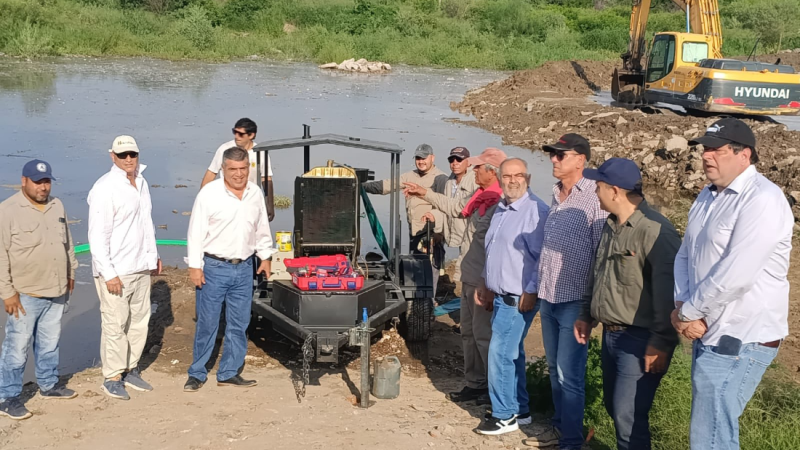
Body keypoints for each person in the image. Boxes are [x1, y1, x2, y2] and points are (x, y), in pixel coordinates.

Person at [672, 118, 793, 450]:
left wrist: (690, 312)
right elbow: (686, 255)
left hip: (740, 336)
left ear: (744, 155)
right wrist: (683, 305)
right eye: (705, 149)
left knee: (709, 436)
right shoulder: (708, 196)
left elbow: (736, 274)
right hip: (708, 327)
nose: (706, 156)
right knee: (714, 429)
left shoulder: (762, 200)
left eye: (716, 150)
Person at [573, 158, 680, 450]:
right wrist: (587, 314)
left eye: (599, 186)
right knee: (615, 408)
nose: (595, 191)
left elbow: (668, 292)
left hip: (640, 339)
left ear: (615, 190)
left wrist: (661, 342)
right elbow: (599, 274)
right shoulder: (610, 225)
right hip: (611, 334)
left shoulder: (656, 231)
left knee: (628, 415)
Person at [404, 148, 505, 405]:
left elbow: (498, 249)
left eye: (478, 166)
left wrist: (489, 283)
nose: (472, 168)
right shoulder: (479, 195)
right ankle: (475, 383)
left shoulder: (499, 203)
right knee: (468, 334)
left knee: (484, 336)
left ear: (492, 172)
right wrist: (423, 192)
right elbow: (455, 208)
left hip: (483, 280)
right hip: (468, 275)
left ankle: (493, 391)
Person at [525, 134, 607, 449]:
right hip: (549, 297)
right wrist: (534, 287)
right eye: (552, 155)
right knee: (554, 370)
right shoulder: (557, 194)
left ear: (580, 160)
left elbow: (600, 255)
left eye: (561, 155)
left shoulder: (595, 197)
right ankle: (561, 428)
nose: (554, 160)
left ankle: (571, 441)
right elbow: (547, 248)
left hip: (575, 301)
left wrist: (590, 308)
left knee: (569, 374)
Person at [184, 146, 275, 392]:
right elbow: (195, 232)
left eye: (243, 169)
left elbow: (261, 229)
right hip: (213, 267)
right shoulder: (208, 194)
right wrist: (195, 267)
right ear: (223, 169)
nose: (238, 174)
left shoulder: (255, 193)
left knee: (239, 322)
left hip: (244, 267)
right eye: (233, 169)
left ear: (249, 168)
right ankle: (197, 372)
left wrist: (265, 257)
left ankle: (228, 371)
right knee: (208, 322)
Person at [474, 158, 549, 436]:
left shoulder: (535, 211)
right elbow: (494, 249)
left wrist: (531, 290)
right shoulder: (502, 208)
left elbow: (543, 258)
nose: (512, 180)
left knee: (500, 354)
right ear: (500, 178)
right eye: (507, 176)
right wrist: (485, 282)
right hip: (501, 295)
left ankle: (504, 415)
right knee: (512, 353)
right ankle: (520, 409)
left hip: (518, 298)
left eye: (518, 175)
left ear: (527, 178)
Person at [0, 160, 79, 420]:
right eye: (38, 182)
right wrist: (7, 292)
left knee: (49, 343)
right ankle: (7, 396)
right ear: (24, 181)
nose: (43, 187)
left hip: (56, 290)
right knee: (16, 347)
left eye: (46, 182)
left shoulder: (57, 205)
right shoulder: (7, 211)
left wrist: (71, 272)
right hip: (25, 294)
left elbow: (67, 242)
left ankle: (48, 384)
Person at [88, 136, 161, 401]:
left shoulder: (141, 182)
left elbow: (145, 222)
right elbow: (97, 236)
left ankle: (131, 369)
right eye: (122, 155)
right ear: (112, 156)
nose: (128, 159)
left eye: (132, 154)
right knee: (115, 324)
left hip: (140, 266)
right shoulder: (105, 188)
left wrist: (153, 257)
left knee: (139, 321)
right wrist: (109, 273)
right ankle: (112, 376)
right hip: (116, 270)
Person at [363, 143, 448, 244]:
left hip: (431, 233)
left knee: (432, 259)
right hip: (414, 231)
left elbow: (445, 207)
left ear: (432, 158)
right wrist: (361, 186)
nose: (421, 162)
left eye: (424, 158)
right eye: (418, 158)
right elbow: (386, 185)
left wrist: (439, 234)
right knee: (414, 258)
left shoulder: (441, 178)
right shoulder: (410, 176)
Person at [201, 118, 275, 222]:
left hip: (250, 199)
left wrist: (270, 205)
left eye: (240, 134)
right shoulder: (225, 149)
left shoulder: (260, 153)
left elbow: (266, 179)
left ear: (251, 135)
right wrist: (202, 199)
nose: (236, 136)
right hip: (226, 200)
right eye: (235, 132)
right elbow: (211, 173)